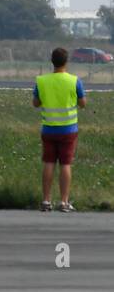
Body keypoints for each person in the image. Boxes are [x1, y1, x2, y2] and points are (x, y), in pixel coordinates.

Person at [34, 47, 86, 213]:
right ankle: (64, 202)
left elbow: (35, 103)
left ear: (52, 61)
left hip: (49, 128)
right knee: (65, 164)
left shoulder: (41, 81)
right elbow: (83, 103)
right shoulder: (74, 80)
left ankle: (46, 200)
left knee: (48, 163)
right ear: (66, 61)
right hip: (68, 129)